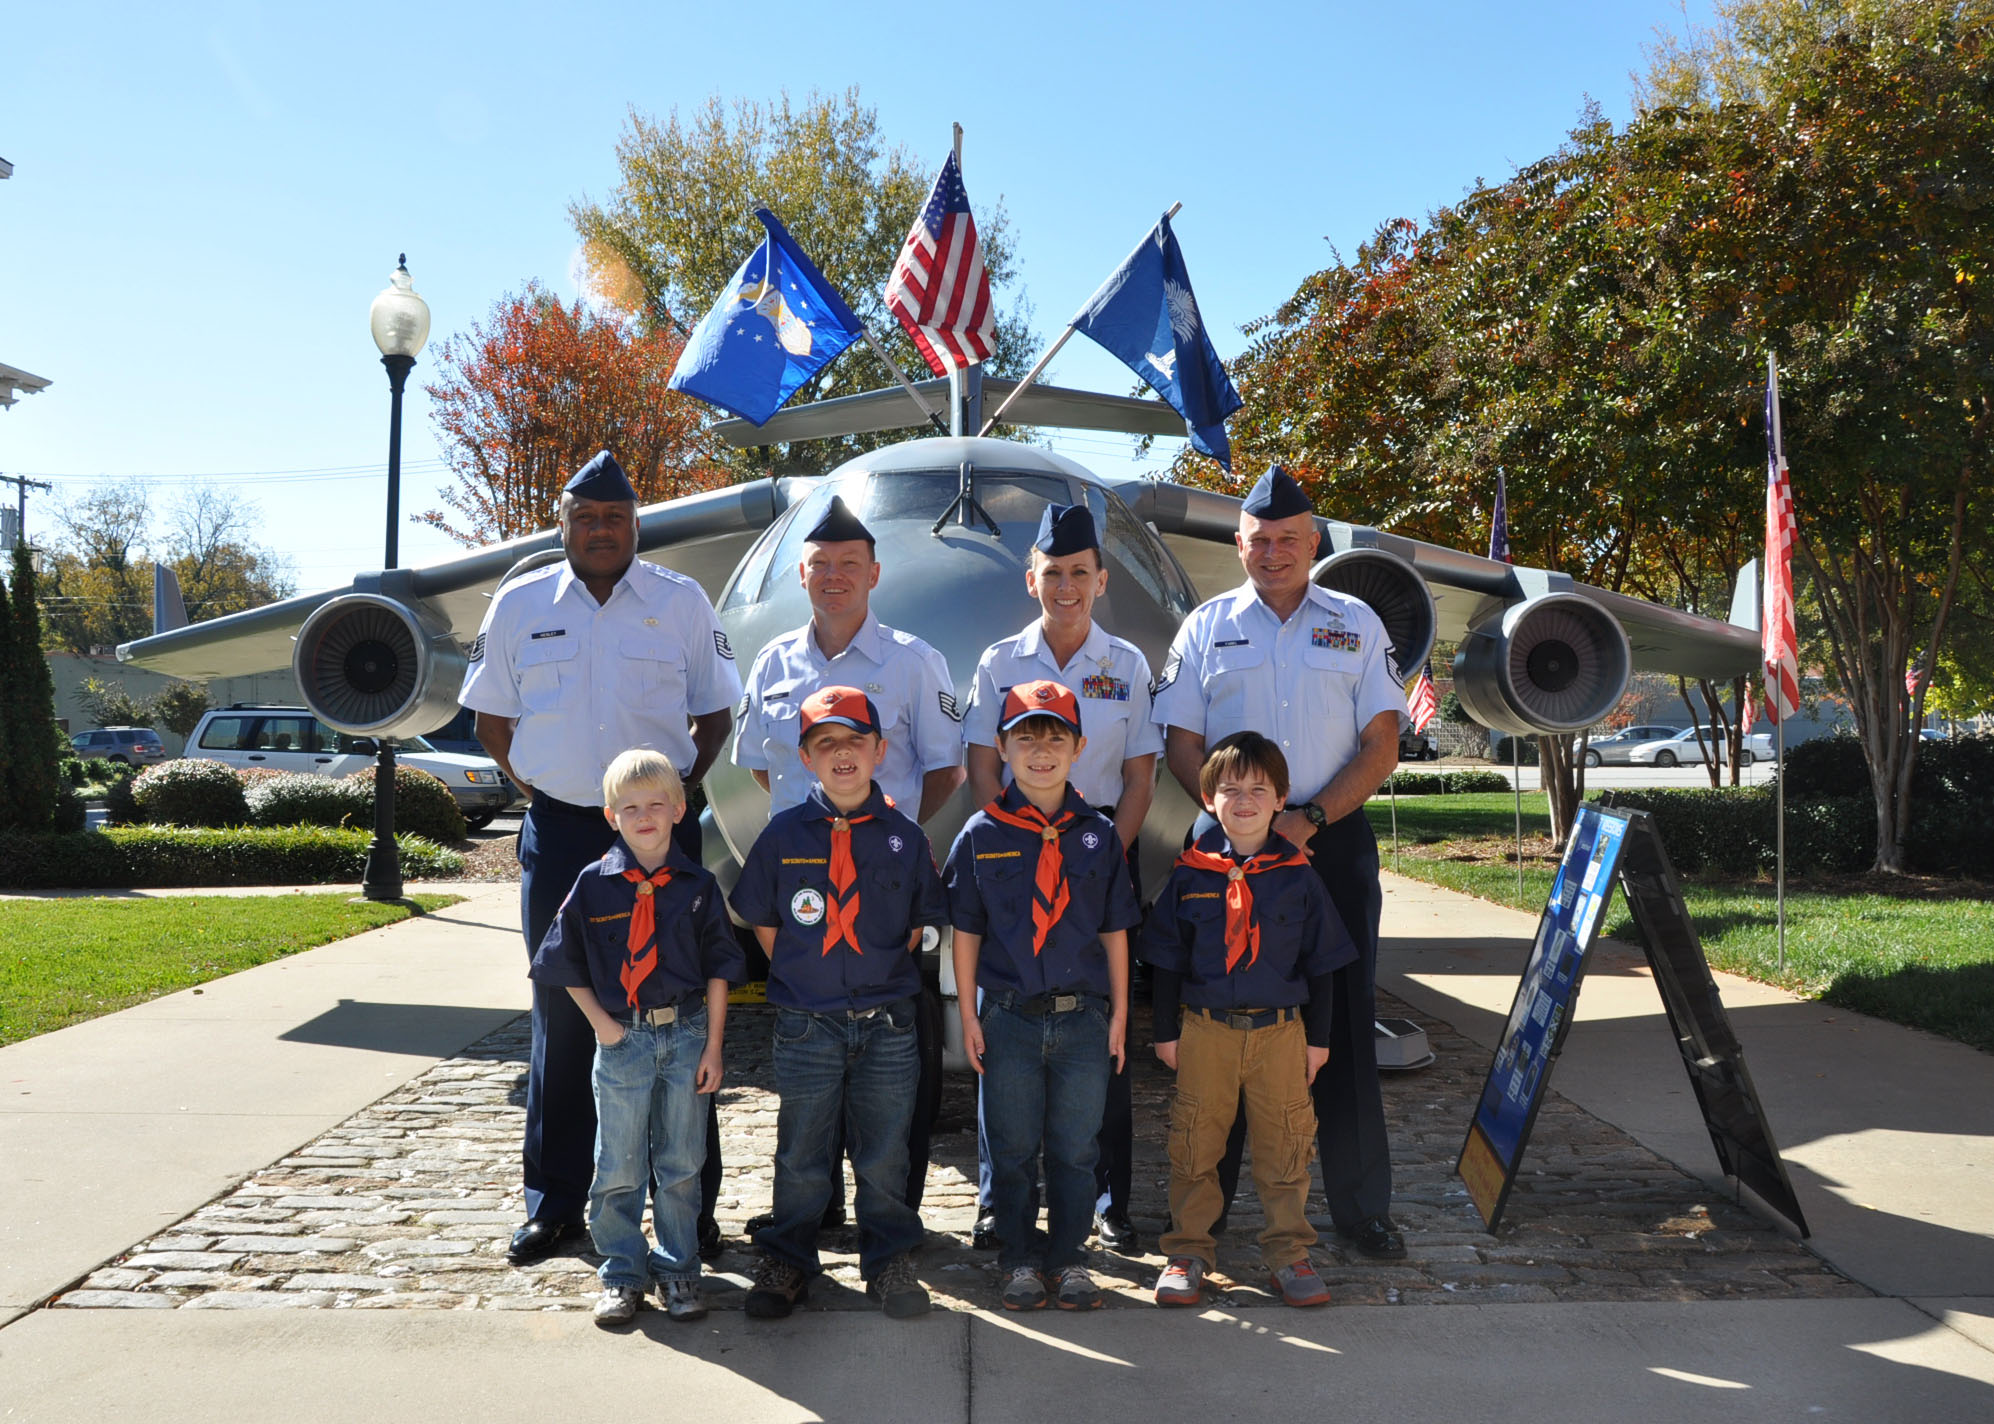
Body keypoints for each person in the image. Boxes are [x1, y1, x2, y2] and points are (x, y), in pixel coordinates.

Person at [459, 450, 740, 1267]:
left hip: (661, 840)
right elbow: (491, 721)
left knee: (678, 1018)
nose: (601, 529)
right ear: (564, 525)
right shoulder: (518, 605)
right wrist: (553, 791)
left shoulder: (681, 602)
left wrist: (669, 798)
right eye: (586, 517)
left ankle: (689, 1209)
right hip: (566, 834)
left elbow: (716, 711)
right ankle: (553, 1205)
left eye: (615, 516)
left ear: (636, 525)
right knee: (563, 1016)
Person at [1149, 464, 1409, 1260]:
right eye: (1259, 541)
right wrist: (1237, 825)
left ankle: (1362, 1211)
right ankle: (1211, 1213)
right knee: (1220, 1020)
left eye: (1288, 540)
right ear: (1239, 544)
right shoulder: (1205, 627)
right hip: (1226, 859)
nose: (1273, 554)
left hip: (1331, 848)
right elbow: (1181, 742)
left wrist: (1309, 819)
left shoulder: (1357, 622)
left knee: (1343, 1025)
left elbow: (1382, 743)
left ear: (1315, 541)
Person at [733, 494, 964, 1215]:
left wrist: (884, 841)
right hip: (800, 889)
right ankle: (814, 1209)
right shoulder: (770, 663)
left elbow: (945, 769)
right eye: (821, 565)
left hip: (888, 891)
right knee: (808, 1051)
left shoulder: (913, 662)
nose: (834, 576)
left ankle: (894, 1211)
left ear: (874, 574)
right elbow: (764, 767)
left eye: (849, 565)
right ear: (801, 576)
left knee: (900, 1052)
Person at [962, 502, 1159, 1252]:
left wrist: (1100, 860)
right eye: (1053, 574)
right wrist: (1009, 846)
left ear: (1101, 580)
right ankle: (995, 1200)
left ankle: (1108, 1201)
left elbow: (1140, 779)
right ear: (1031, 579)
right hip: (1014, 857)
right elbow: (984, 764)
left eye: (1080, 573)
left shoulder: (1128, 666)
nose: (1066, 586)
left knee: (1102, 1032)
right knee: (1006, 1030)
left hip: (1100, 851)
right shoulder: (998, 663)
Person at [730, 686, 950, 1322]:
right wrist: (808, 975)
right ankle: (789, 1260)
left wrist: (868, 976)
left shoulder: (905, 839)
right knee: (802, 1148)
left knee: (885, 1150)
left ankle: (887, 1260)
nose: (842, 754)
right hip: (807, 1022)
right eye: (826, 743)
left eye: (855, 741)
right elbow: (765, 920)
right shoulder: (782, 835)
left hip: (887, 1022)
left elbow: (915, 926)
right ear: (806, 758)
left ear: (880, 751)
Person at [527, 749, 743, 1328]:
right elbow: (560, 964)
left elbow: (722, 968)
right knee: (618, 1163)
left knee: (680, 1162)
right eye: (629, 807)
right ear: (610, 815)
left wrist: (715, 1047)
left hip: (688, 1034)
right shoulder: (592, 885)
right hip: (624, 1038)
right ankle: (621, 1273)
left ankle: (678, 1269)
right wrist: (605, 1027)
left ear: (679, 808)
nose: (643, 816)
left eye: (655, 804)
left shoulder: (698, 886)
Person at [946, 679, 1140, 1311]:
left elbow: (1115, 931)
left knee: (1076, 1148)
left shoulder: (1099, 835)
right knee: (1010, 1145)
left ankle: (1070, 1257)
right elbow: (967, 933)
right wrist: (971, 1015)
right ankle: (1019, 1258)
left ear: (1079, 747)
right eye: (1025, 736)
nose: (1040, 749)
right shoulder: (981, 832)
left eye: (1055, 736)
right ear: (1002, 746)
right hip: (1008, 1018)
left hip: (1084, 1019)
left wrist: (1120, 1014)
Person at [1142, 733, 1353, 1307]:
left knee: (1286, 1146)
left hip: (1281, 1034)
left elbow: (1324, 965)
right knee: (1195, 1145)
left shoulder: (1299, 875)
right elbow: (1165, 960)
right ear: (1209, 797)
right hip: (1205, 1031)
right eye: (1230, 789)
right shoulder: (1189, 874)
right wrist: (1166, 1031)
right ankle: (1188, 1250)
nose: (1244, 800)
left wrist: (1319, 1040)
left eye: (1258, 789)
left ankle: (1288, 1253)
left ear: (1281, 797)